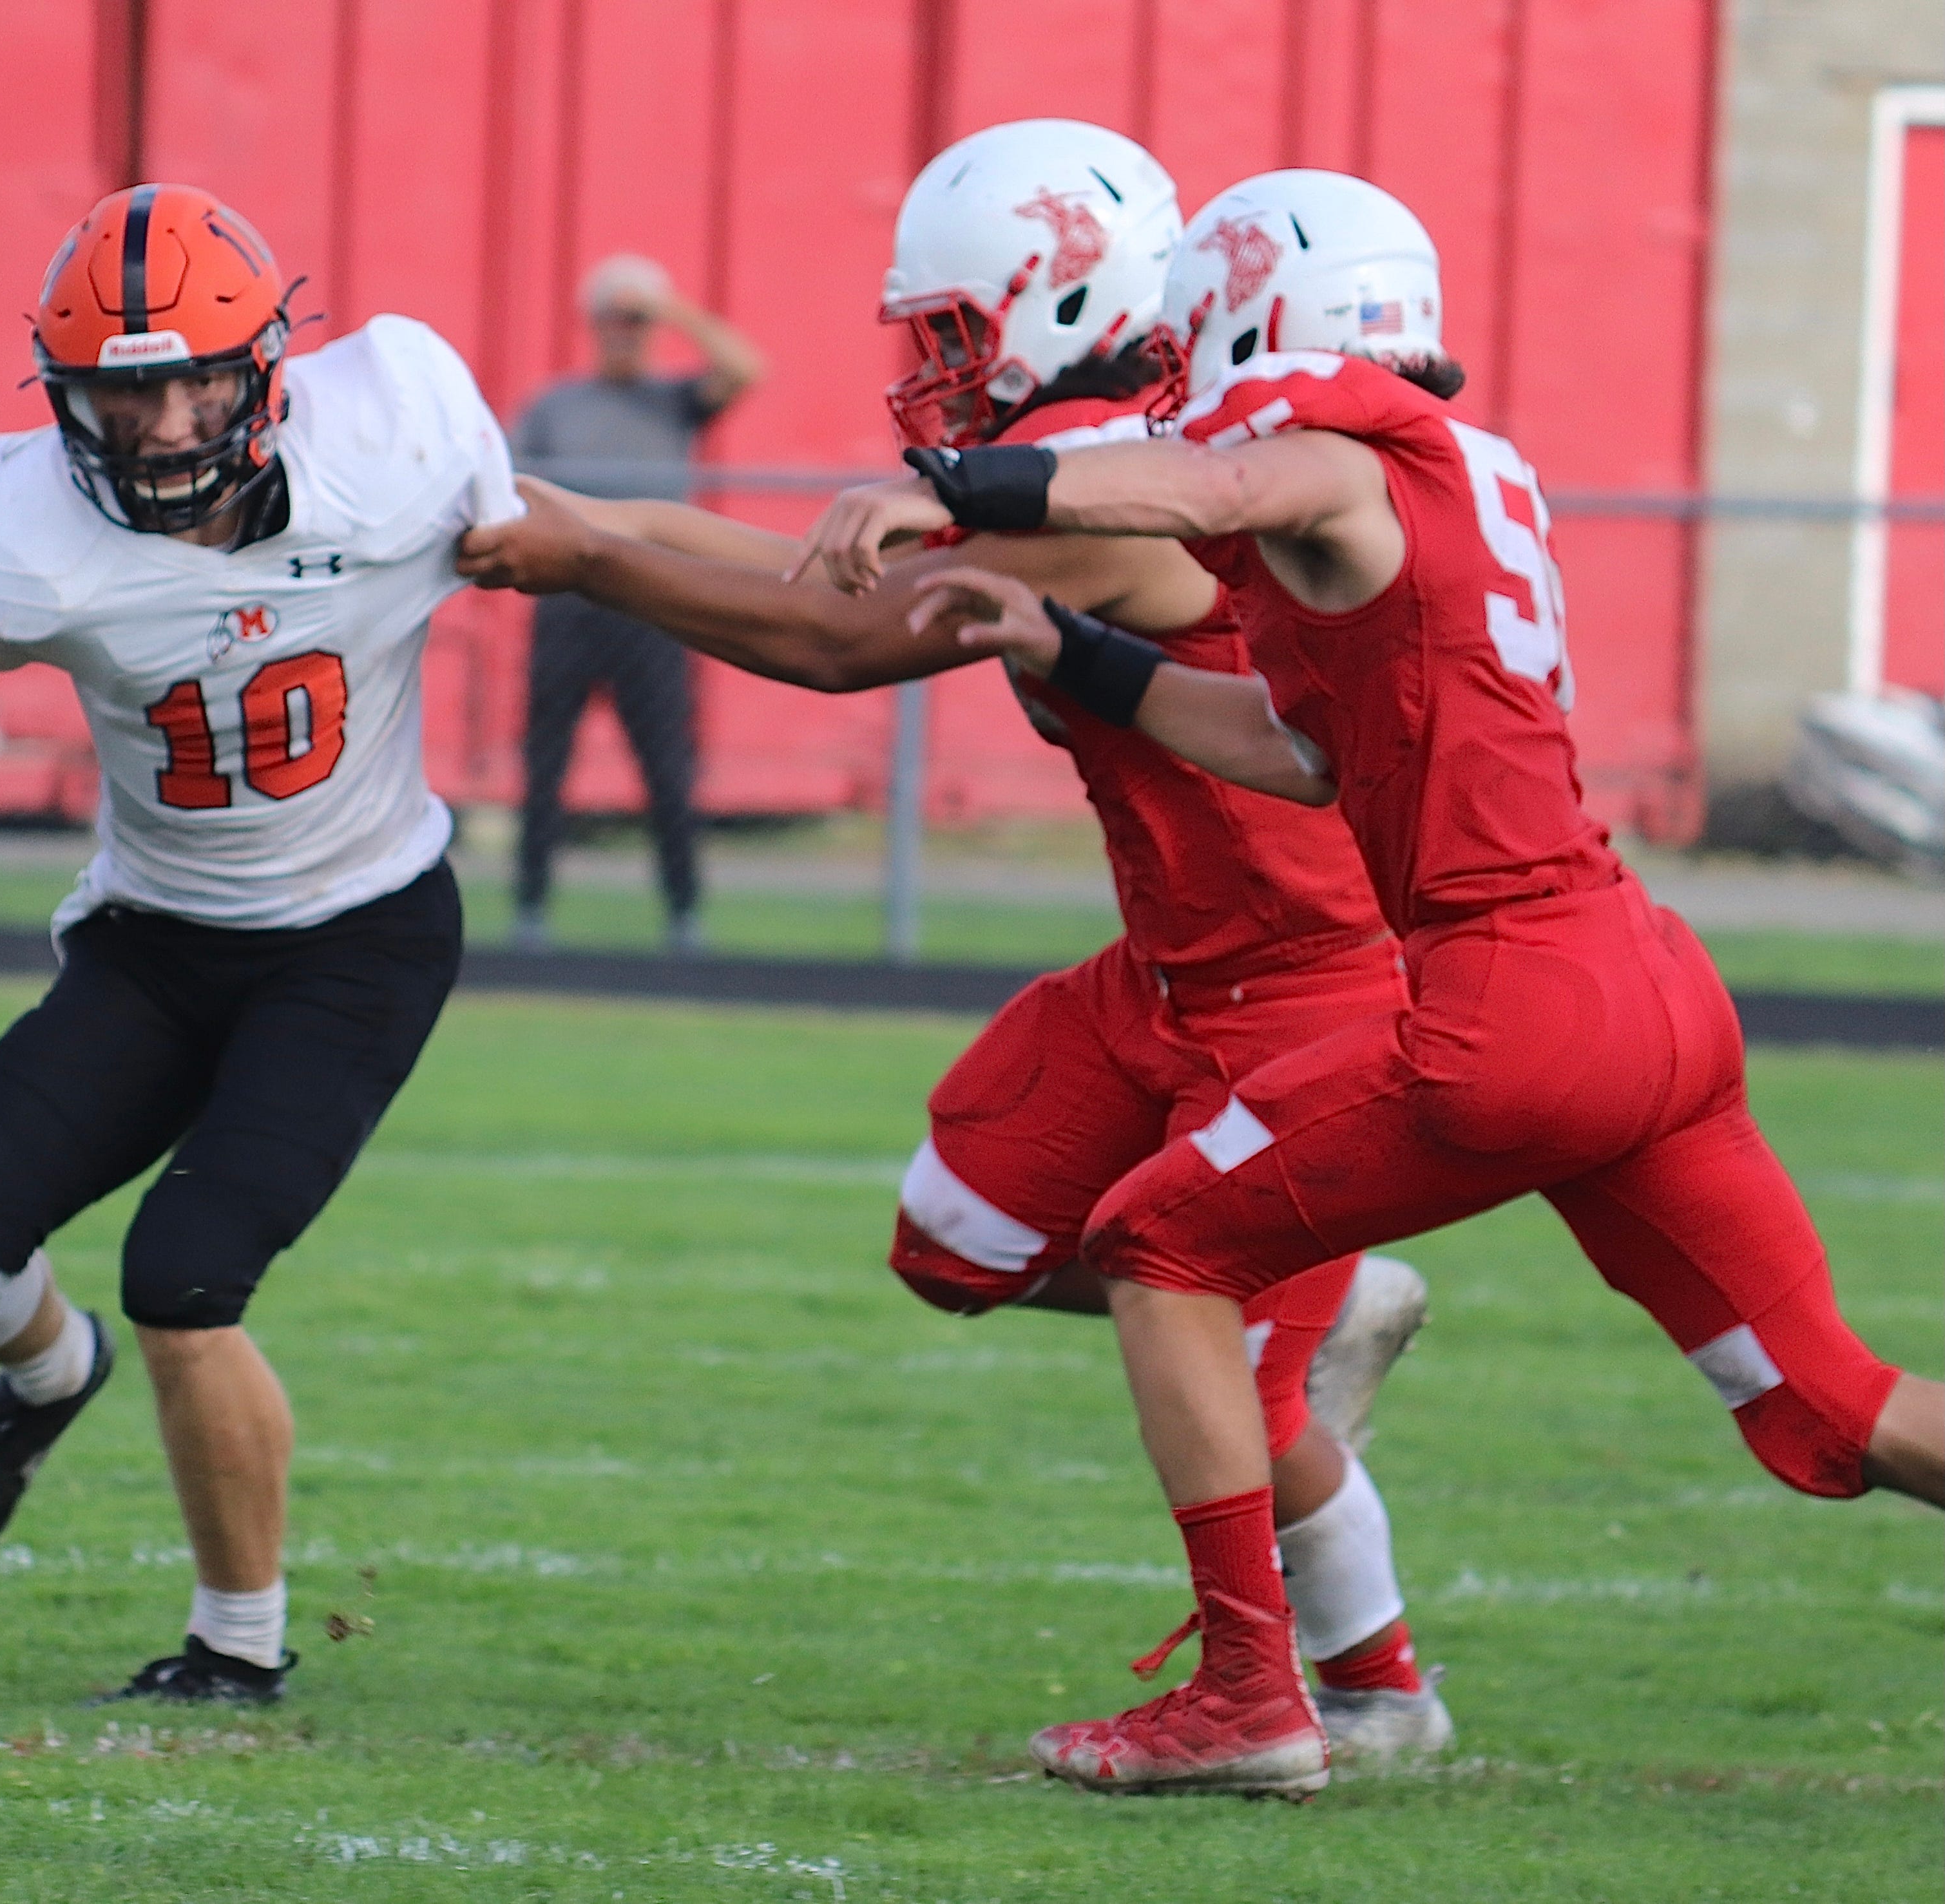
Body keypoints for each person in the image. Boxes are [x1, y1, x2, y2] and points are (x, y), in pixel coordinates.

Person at [790, 166, 1945, 1798]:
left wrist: (954, 483)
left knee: (1151, 1238)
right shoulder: (1450, 472)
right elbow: (1297, 753)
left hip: (1513, 1007)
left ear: (1260, 315)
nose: (1181, 370)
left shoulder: (1327, 454)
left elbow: (1211, 484)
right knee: (1828, 1407)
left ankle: (1247, 1698)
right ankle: (1284, 1683)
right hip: (1643, 984)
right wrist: (1063, 650)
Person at [461, 122, 1453, 1763]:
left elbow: (833, 639)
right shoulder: (1061, 448)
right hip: (1171, 968)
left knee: (1196, 1329)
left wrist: (588, 561)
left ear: (1056, 301)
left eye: (946, 332)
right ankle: (1301, 1356)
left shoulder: (1114, 469)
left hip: (1309, 989)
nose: (926, 372)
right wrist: (587, 510)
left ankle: (1336, 1691)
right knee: (955, 1238)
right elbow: (820, 567)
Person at [0, 184, 521, 1704]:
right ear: (67, 398)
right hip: (157, 938)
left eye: (194, 380)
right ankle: (50, 1376)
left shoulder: (398, 445)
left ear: (269, 373)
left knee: (185, 1272)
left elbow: (564, 547)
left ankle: (234, 1650)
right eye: (124, 388)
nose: (167, 421)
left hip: (358, 933)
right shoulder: (25, 540)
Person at [509, 254, 765, 955]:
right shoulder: (555, 406)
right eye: (614, 318)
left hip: (654, 604)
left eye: (636, 321)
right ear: (591, 326)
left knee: (667, 765)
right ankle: (529, 911)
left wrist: (670, 309)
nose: (625, 332)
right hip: (567, 603)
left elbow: (747, 369)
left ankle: (684, 915)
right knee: (544, 764)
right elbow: (511, 486)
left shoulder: (674, 400)